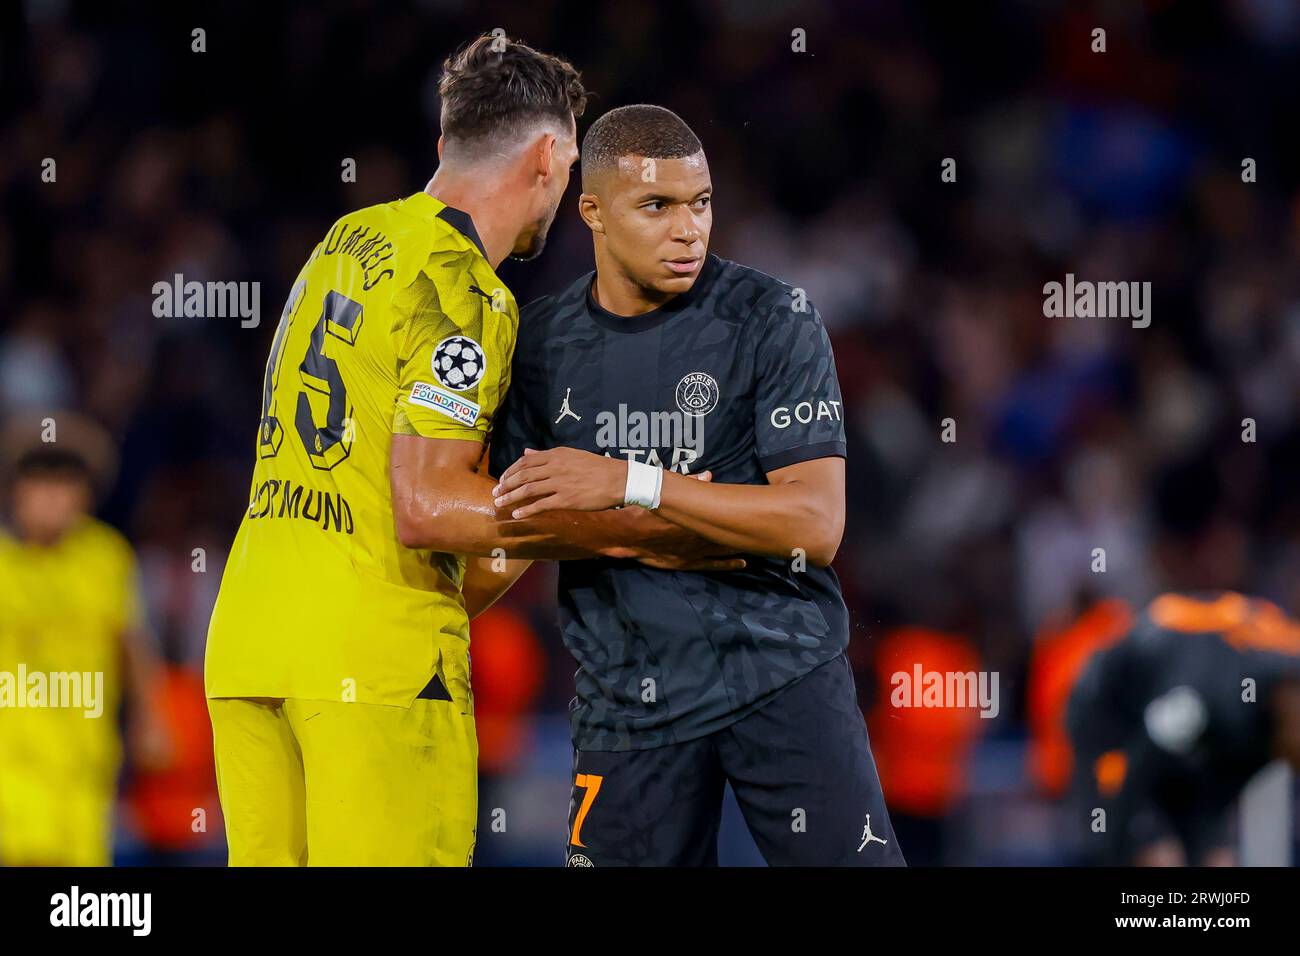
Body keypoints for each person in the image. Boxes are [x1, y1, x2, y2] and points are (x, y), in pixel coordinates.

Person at [205, 39, 731, 867]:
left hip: (252, 639)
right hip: (374, 665)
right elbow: (427, 510)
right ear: (551, 156)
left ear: (447, 143)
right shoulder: (464, 285)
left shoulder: (347, 239)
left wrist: (534, 491)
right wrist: (640, 519)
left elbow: (431, 531)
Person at [483, 104, 905, 866]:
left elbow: (813, 523)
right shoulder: (541, 342)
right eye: (657, 206)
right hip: (625, 699)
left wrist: (632, 481)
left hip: (780, 670)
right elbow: (510, 524)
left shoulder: (774, 318)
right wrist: (654, 525)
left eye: (701, 202)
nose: (690, 230)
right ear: (593, 212)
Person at [0, 440, 167, 866]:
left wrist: (149, 718)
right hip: (12, 764)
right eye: (41, 482)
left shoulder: (106, 556)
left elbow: (132, 641)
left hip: (84, 764)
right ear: (16, 491)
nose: (54, 495)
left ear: (85, 496)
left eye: (67, 483)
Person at [1067, 591, 1300, 866]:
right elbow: (1132, 782)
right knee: (1159, 858)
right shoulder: (1205, 695)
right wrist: (1125, 846)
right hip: (1114, 723)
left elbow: (1218, 793)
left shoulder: (1274, 713)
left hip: (1190, 750)